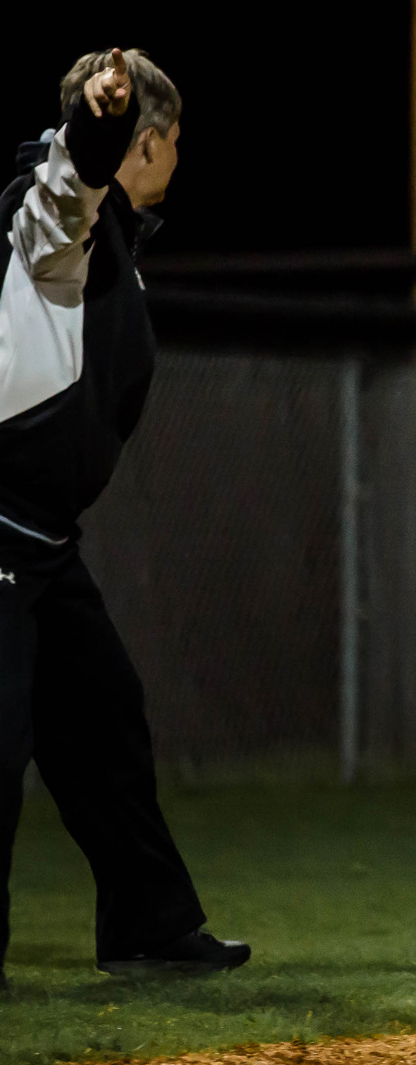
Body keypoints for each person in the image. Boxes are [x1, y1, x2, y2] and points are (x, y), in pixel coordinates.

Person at [0, 48, 249, 988]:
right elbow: (66, 189)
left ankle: (148, 928)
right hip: (2, 524)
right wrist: (95, 130)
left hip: (41, 542)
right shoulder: (52, 218)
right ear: (143, 141)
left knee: (104, 722)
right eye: (172, 141)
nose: (178, 157)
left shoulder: (107, 239)